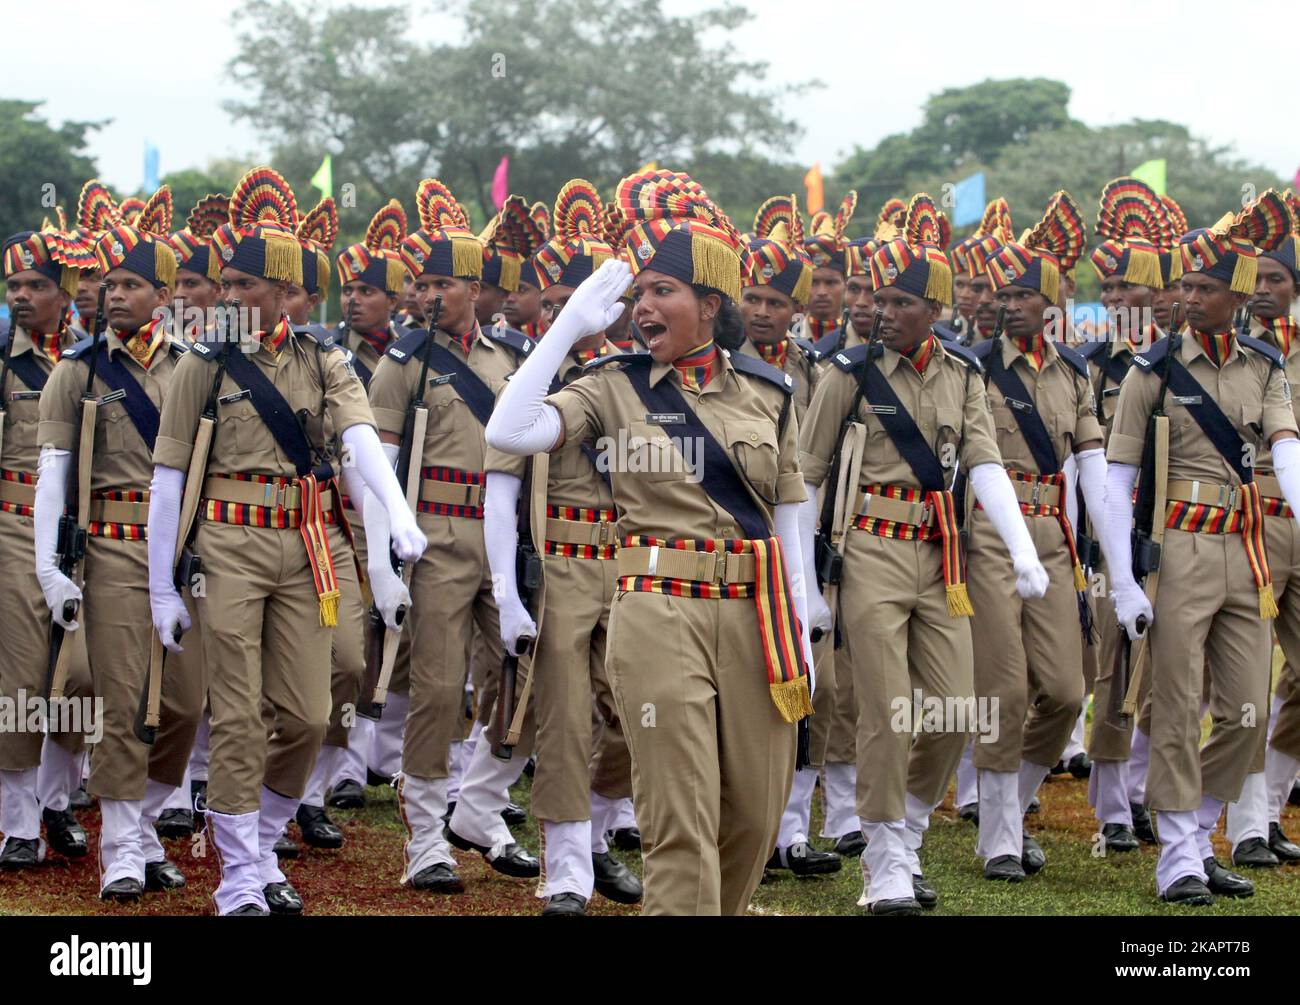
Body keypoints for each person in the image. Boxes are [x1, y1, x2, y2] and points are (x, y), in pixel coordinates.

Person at [486, 169, 815, 915]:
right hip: (658, 611)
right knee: (678, 815)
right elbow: (508, 430)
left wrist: (800, 625)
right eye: (637, 295)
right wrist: (567, 325)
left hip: (756, 615)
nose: (642, 308)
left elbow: (787, 520)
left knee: (753, 819)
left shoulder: (768, 392)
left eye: (660, 291)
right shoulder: (613, 385)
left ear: (710, 304)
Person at [146, 166, 427, 916]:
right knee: (236, 713)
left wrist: (396, 512)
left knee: (310, 710)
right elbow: (168, 480)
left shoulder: (322, 357)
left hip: (309, 542)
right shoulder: (199, 364)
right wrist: (161, 586)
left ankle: (263, 840)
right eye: (222, 284)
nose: (226, 296)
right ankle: (239, 873)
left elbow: (361, 436)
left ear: (279, 289)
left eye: (241, 285)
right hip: (228, 546)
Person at [800, 194, 1053, 913]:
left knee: (952, 707)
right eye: (878, 298)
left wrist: (1021, 551)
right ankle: (883, 863)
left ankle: (904, 830)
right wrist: (806, 583)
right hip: (870, 550)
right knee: (887, 708)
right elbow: (805, 479)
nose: (884, 311)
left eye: (901, 301)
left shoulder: (965, 374)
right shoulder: (847, 374)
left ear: (935, 308)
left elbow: (986, 463)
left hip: (943, 557)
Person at [1101, 190, 1300, 905]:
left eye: (1204, 287)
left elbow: (1286, 444)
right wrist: (1123, 579)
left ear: (1236, 294)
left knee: (1246, 710)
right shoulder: (1150, 370)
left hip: (1247, 552)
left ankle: (1201, 827)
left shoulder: (1266, 365)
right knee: (1178, 706)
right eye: (1184, 284)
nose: (1187, 297)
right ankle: (1180, 856)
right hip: (1180, 548)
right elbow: (1116, 477)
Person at [472, 178, 643, 915]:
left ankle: (601, 835)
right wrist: (508, 592)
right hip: (565, 566)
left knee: (638, 715)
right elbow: (502, 488)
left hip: (635, 566)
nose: (585, 312)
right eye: (565, 299)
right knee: (567, 719)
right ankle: (568, 866)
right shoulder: (531, 380)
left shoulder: (641, 379)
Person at [365, 178, 537, 894]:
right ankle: (427, 836)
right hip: (431, 533)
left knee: (530, 675)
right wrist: (383, 562)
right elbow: (374, 465)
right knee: (436, 688)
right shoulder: (403, 361)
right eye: (421, 282)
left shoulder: (508, 357)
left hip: (501, 538)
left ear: (475, 285)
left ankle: (482, 800)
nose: (428, 293)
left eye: (443, 281)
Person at [36, 187, 205, 900]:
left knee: (188, 703)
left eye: (132, 283)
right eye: (108, 284)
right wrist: (50, 566)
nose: (115, 295)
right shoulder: (77, 371)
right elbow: (52, 475)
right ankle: (124, 846)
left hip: (182, 557)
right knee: (120, 701)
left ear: (164, 294)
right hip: (107, 550)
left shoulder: (195, 367)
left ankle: (147, 819)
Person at [969, 191, 1108, 883]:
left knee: (1063, 685)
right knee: (1002, 686)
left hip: (1053, 534)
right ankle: (997, 834)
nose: (1012, 303)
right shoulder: (970, 366)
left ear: (1052, 305)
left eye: (1026, 293)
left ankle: (1013, 803)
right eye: (1005, 292)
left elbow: (1091, 462)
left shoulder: (1076, 371)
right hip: (989, 534)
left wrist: (1101, 545)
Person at [734, 193, 838, 877]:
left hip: (794, 545)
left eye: (776, 300)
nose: (764, 310)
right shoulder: (715, 363)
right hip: (736, 544)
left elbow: (816, 471)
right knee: (744, 694)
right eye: (753, 296)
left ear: (796, 309)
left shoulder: (816, 371)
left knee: (798, 691)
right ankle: (746, 828)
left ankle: (787, 833)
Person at [1077, 176, 1173, 853]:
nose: (1115, 300)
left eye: (1127, 289)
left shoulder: (1176, 364)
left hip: (1177, 538)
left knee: (1169, 671)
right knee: (1112, 671)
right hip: (1114, 541)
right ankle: (1113, 809)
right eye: (1106, 289)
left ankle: (1145, 790)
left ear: (1157, 294)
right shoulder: (1088, 364)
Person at [0, 222, 97, 870]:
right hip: (13, 524)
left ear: (65, 291)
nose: (25, 295)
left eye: (38, 283)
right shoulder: (5, 357)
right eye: (15, 285)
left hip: (90, 535)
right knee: (22, 676)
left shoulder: (95, 359)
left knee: (83, 674)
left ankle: (56, 796)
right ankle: (16, 822)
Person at [1225, 190, 1300, 867]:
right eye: (1262, 278)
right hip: (1248, 524)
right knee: (1243, 683)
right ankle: (1244, 826)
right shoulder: (1237, 355)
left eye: (1282, 279)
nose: (1270, 289)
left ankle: (1269, 810)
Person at [796, 191, 857, 351]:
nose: (822, 292)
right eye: (813, 282)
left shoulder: (864, 338)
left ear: (846, 284)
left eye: (831, 282)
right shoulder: (788, 337)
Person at [168, 194, 228, 341]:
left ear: (218, 290)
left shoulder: (236, 343)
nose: (178, 294)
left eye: (190, 283)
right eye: (173, 284)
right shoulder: (152, 346)